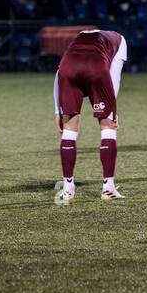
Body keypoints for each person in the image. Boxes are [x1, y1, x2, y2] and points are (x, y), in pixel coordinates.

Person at [53, 29, 128, 202]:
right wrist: (111, 109)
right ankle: (108, 188)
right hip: (95, 67)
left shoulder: (78, 39)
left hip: (68, 68)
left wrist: (58, 110)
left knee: (69, 129)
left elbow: (59, 75)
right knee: (108, 126)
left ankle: (68, 189)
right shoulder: (120, 41)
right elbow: (113, 76)